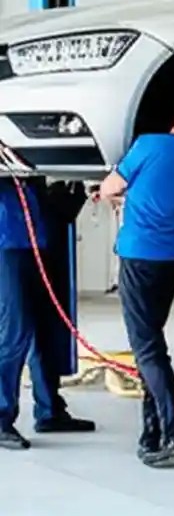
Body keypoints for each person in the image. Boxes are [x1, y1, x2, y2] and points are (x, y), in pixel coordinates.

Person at [98, 91, 174, 466]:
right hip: (169, 260)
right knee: (152, 344)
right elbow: (165, 193)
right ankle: (152, 436)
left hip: (138, 256)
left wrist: (112, 194)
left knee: (146, 348)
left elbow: (110, 187)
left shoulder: (148, 144)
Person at [0, 177, 95, 450]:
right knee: (13, 332)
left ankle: (49, 409)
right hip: (7, 242)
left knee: (44, 327)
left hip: (37, 240)